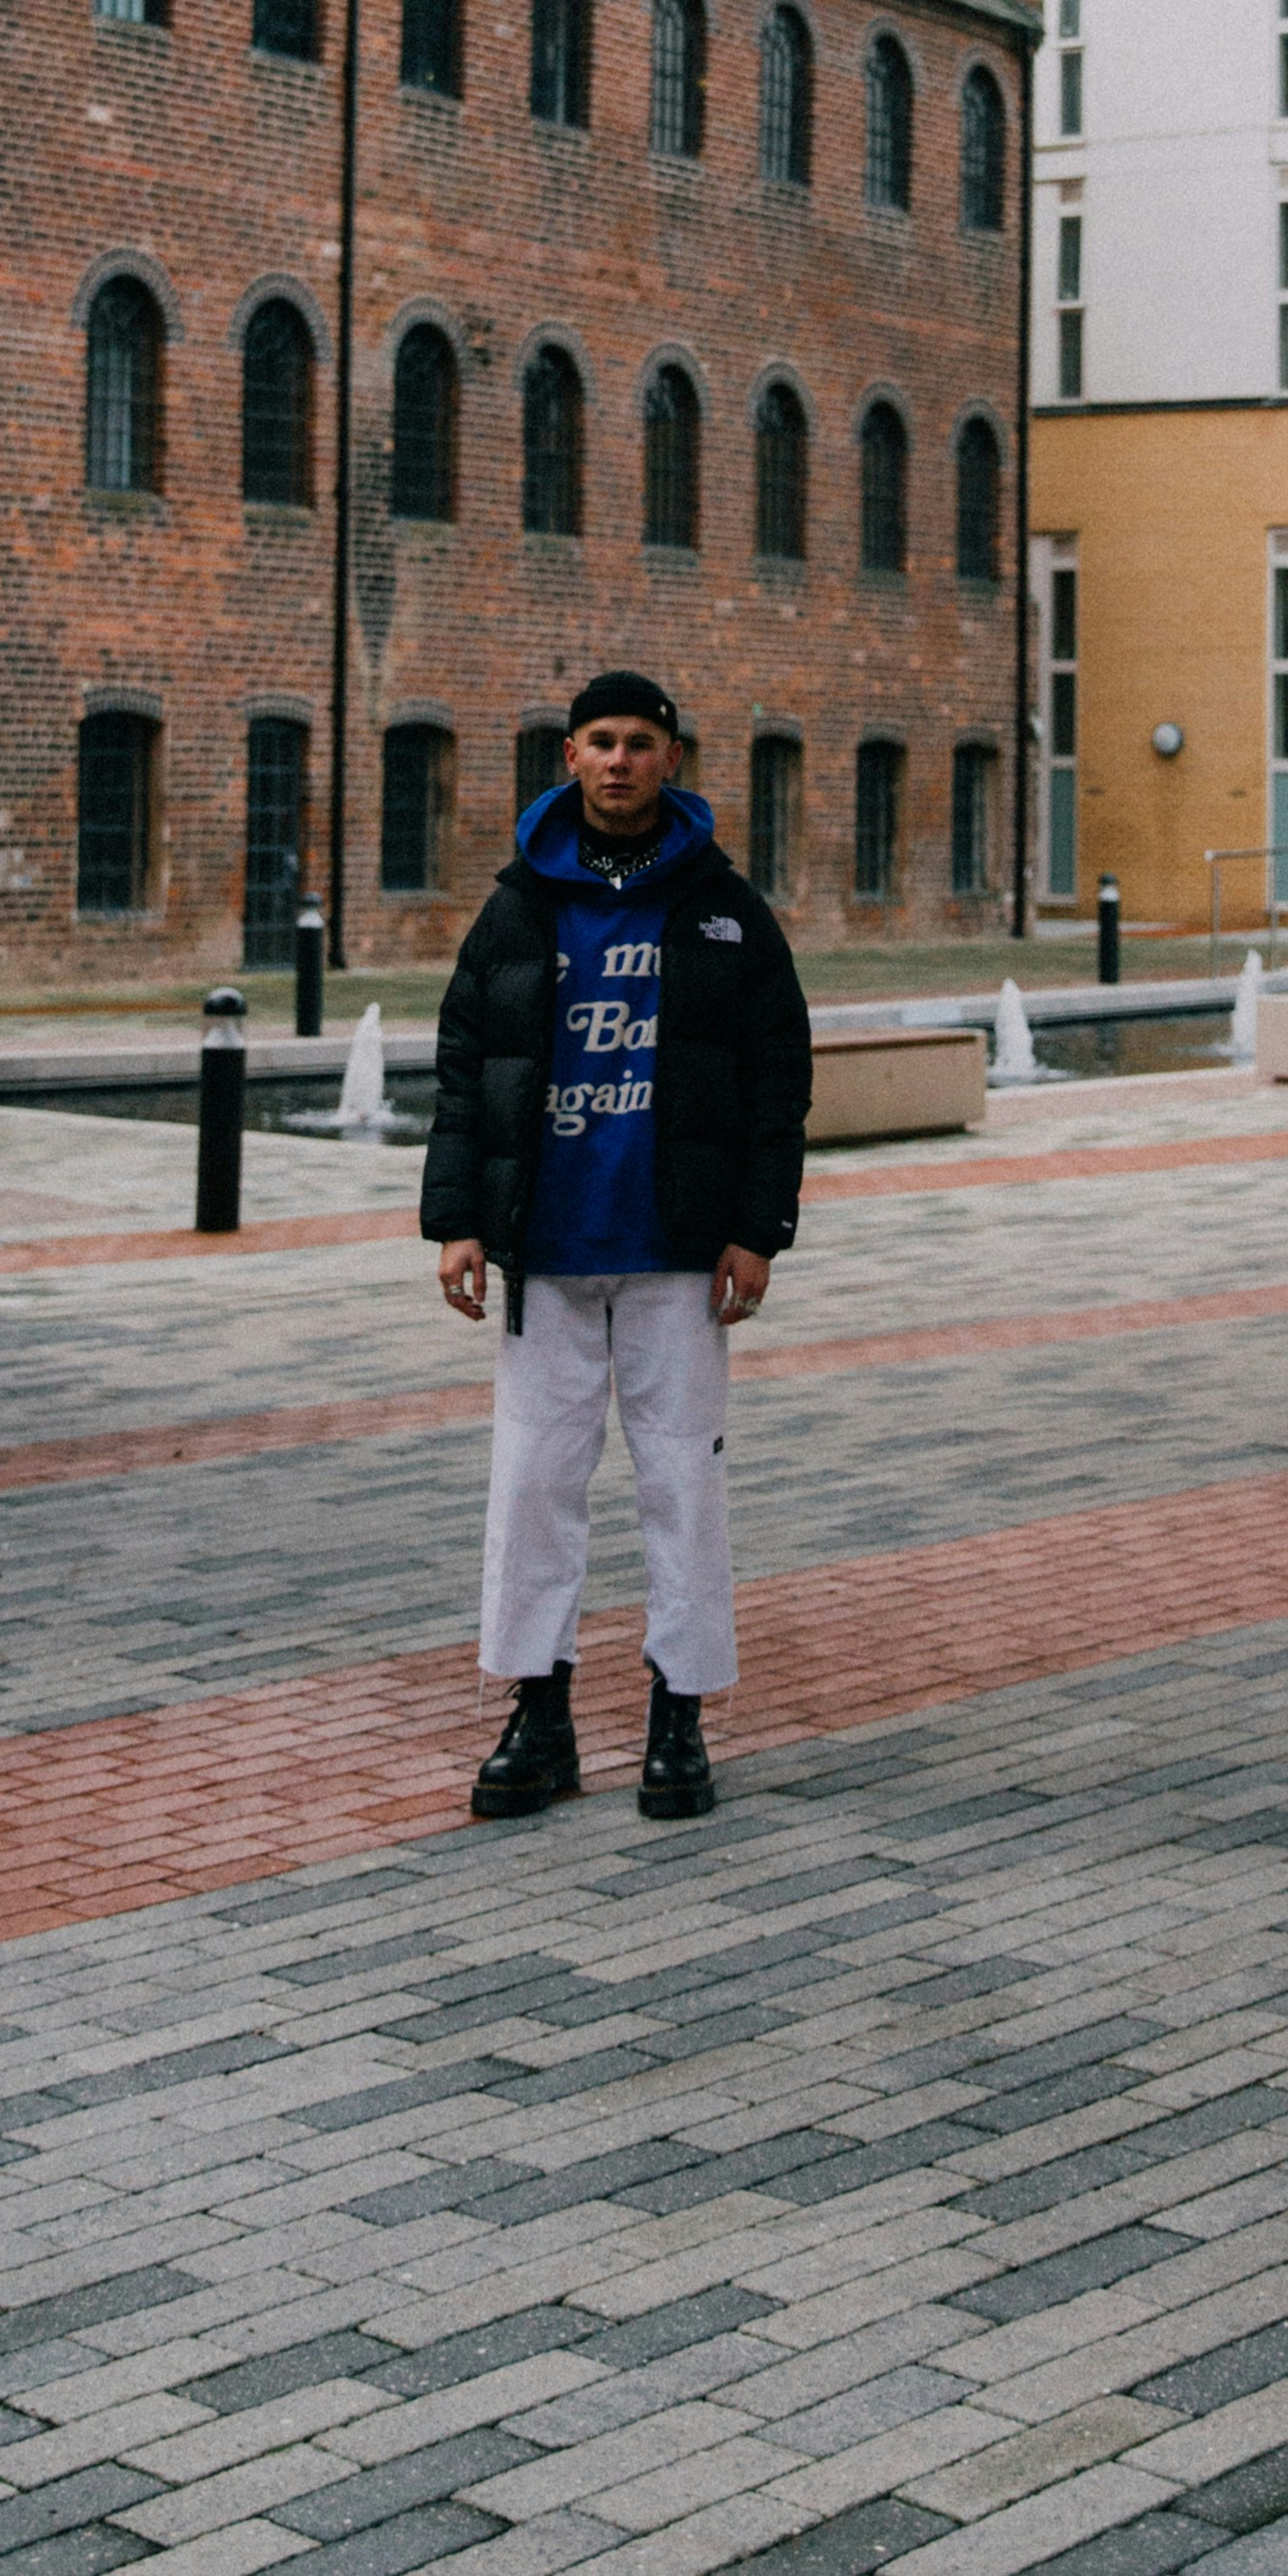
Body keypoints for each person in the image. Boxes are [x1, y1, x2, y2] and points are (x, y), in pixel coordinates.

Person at [422, 668, 811, 1822]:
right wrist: (456, 1219)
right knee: (533, 1487)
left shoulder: (725, 910)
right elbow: (464, 1069)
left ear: (672, 759)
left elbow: (777, 1078)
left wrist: (757, 1229)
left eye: (641, 742)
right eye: (601, 741)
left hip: (676, 1252)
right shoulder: (516, 908)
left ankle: (678, 1716)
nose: (620, 761)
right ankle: (537, 1714)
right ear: (571, 757)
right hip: (546, 1248)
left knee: (682, 1485)